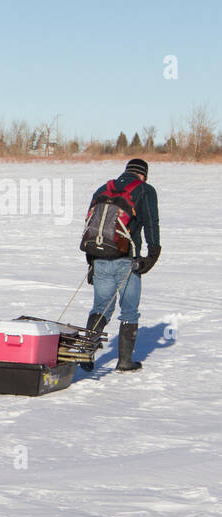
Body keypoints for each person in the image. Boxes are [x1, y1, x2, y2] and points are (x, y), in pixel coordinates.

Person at [81, 157, 162, 373]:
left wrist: (91, 263)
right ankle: (125, 362)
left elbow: (91, 227)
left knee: (100, 308)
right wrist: (152, 255)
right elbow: (151, 223)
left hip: (99, 258)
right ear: (143, 175)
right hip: (128, 261)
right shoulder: (145, 190)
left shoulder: (103, 189)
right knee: (129, 312)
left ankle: (86, 353)